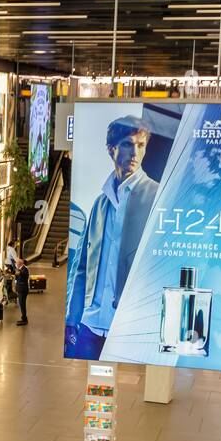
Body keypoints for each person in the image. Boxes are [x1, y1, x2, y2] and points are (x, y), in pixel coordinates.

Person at [65, 115, 161, 359]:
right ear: (112, 149)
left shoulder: (156, 196)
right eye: (128, 144)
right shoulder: (100, 203)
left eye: (141, 145)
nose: (135, 153)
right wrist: (72, 319)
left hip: (130, 326)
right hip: (89, 325)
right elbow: (82, 268)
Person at [15, 258, 31, 326]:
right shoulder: (20, 269)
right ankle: (23, 318)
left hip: (23, 290)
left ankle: (24, 319)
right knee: (21, 304)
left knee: (22, 304)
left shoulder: (24, 269)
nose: (16, 264)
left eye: (17, 263)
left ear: (20, 263)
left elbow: (24, 274)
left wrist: (19, 272)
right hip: (20, 289)